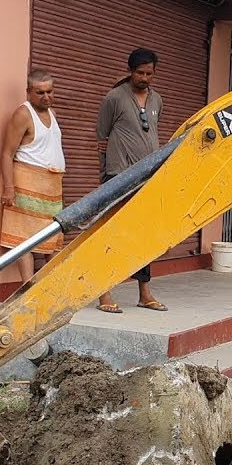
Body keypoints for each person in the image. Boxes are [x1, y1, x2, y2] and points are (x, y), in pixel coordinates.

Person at [94, 48, 167, 313]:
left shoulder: (157, 99)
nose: (144, 78)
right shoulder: (114, 97)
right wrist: (107, 174)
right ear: (130, 71)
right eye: (140, 72)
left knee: (144, 235)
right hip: (118, 175)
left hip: (148, 176)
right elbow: (101, 136)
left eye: (149, 73)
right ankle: (103, 293)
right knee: (113, 233)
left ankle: (144, 293)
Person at [0, 69, 66, 282]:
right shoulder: (23, 114)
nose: (46, 97)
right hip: (27, 183)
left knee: (53, 238)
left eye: (50, 91)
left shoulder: (53, 114)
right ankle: (27, 286)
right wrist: (9, 188)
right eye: (40, 92)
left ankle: (49, 286)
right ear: (28, 92)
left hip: (52, 187)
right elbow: (7, 153)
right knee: (24, 239)